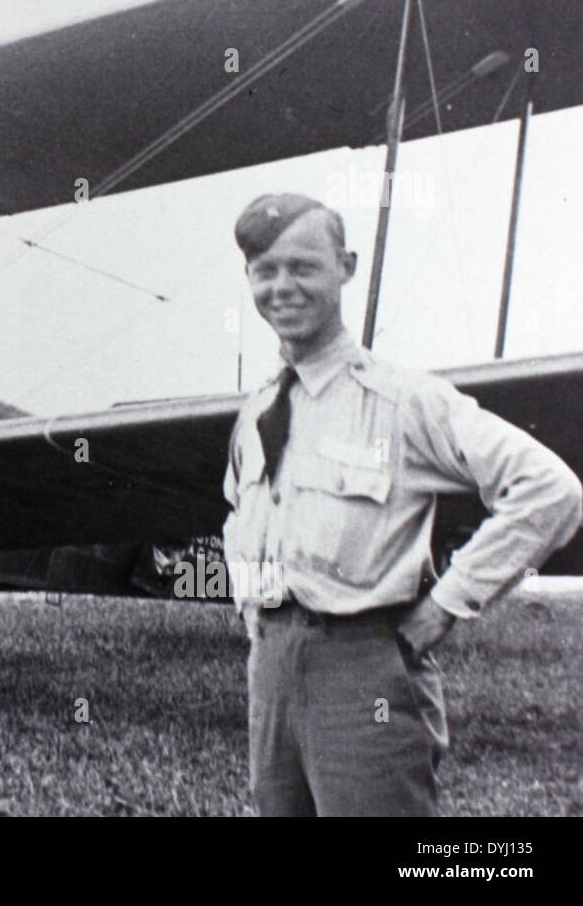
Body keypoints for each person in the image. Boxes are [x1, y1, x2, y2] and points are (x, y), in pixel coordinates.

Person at [222, 192, 582, 816]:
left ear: (347, 266)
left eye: (303, 266)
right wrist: (255, 619)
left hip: (363, 667)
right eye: (265, 270)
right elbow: (239, 515)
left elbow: (549, 489)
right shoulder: (256, 409)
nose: (282, 287)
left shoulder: (405, 401)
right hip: (271, 666)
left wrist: (445, 606)